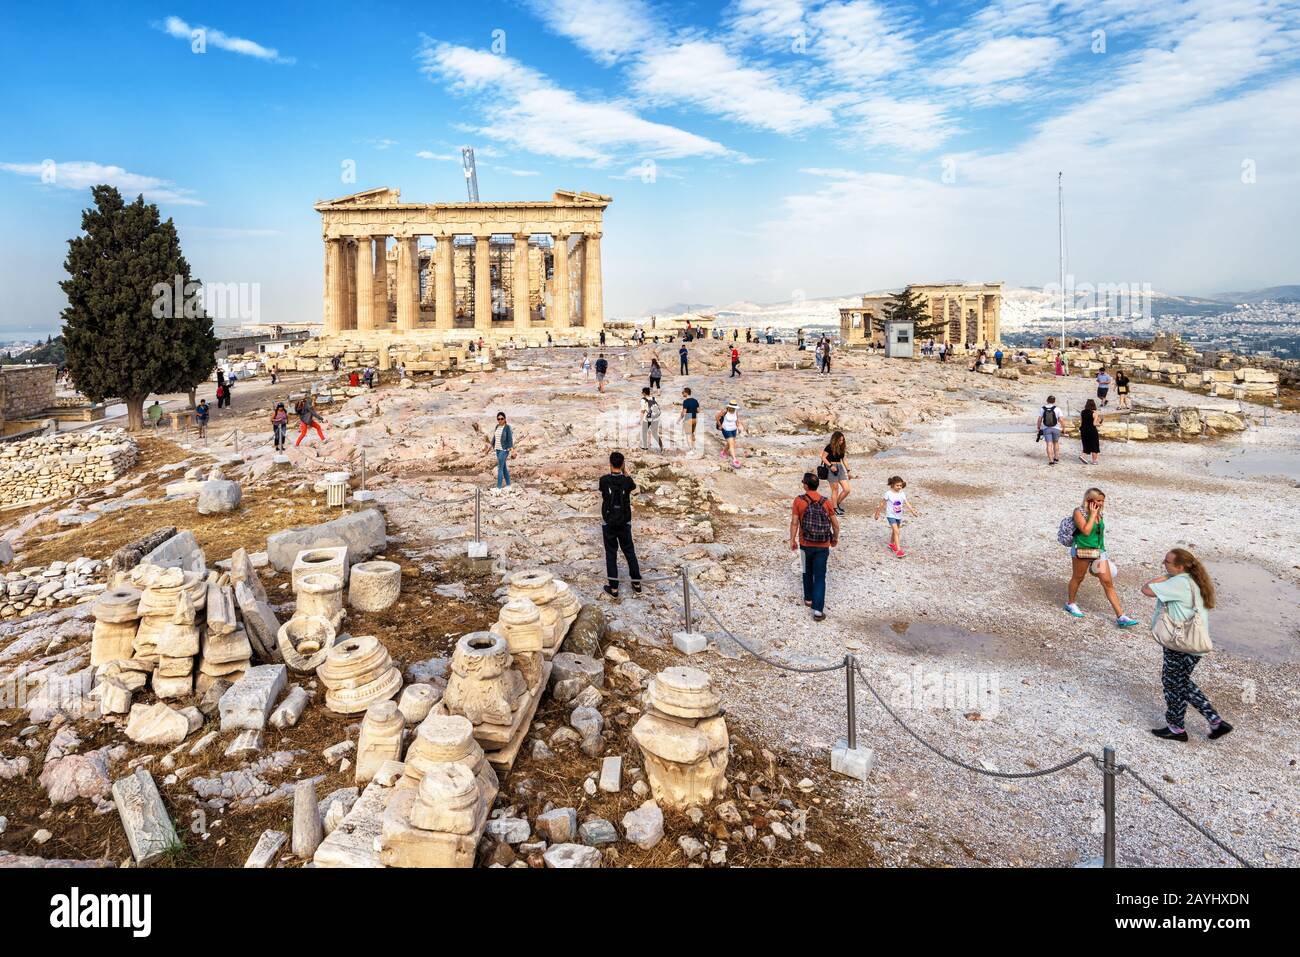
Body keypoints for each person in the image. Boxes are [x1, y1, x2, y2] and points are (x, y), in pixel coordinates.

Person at [1141, 548, 1232, 742]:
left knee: (1174, 683)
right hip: (1194, 642)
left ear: (1180, 567)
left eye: (1167, 562)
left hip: (1180, 642)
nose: (1163, 563)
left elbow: (1146, 589)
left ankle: (1178, 728)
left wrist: (1164, 577)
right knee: (1179, 681)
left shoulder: (1179, 582)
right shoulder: (1194, 580)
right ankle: (1213, 722)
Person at [1064, 487, 1140, 627]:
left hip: (1098, 552)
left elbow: (1100, 534)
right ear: (1089, 500)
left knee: (1107, 582)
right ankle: (1070, 603)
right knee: (1078, 578)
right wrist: (1092, 515)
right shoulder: (1079, 512)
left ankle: (1121, 616)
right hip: (1082, 551)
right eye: (1098, 500)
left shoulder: (1100, 513)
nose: (1101, 503)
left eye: (1102, 501)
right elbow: (1086, 531)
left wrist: (1103, 551)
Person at [790, 472, 840, 622]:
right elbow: (835, 525)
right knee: (820, 577)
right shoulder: (826, 502)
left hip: (805, 544)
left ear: (805, 485)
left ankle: (808, 599)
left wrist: (792, 539)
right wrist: (835, 538)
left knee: (806, 571)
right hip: (822, 545)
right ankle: (818, 611)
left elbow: (794, 523)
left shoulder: (799, 501)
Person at [599, 451, 641, 598]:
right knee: (629, 552)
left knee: (611, 554)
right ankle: (636, 584)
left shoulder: (603, 480)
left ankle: (614, 588)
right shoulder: (627, 482)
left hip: (609, 522)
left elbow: (603, 492)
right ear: (622, 464)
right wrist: (625, 471)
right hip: (624, 521)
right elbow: (633, 485)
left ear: (610, 464)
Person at [873, 475, 920, 558]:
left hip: (899, 515)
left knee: (895, 531)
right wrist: (877, 513)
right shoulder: (888, 493)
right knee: (897, 531)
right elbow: (882, 503)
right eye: (897, 485)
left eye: (900, 485)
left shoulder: (902, 494)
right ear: (892, 485)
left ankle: (891, 544)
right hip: (890, 515)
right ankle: (898, 550)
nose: (899, 487)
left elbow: (907, 503)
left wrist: (912, 511)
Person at [820, 430, 852, 515]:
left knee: (847, 489)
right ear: (835, 439)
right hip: (831, 468)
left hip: (840, 468)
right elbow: (823, 457)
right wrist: (830, 466)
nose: (841, 442)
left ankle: (836, 504)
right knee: (835, 490)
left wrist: (848, 470)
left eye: (842, 440)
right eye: (840, 440)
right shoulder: (829, 447)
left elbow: (844, 459)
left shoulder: (841, 448)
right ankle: (834, 508)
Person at [1037, 394, 1065, 465]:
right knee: (1056, 443)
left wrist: (1038, 427)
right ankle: (1056, 457)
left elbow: (1040, 419)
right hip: (1056, 428)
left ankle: (1051, 460)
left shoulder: (1043, 408)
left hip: (1046, 428)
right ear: (1054, 401)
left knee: (1049, 444)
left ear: (1047, 400)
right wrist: (1063, 428)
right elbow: (1061, 419)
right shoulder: (1057, 409)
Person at [490, 411, 515, 488]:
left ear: (505, 419)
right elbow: (494, 438)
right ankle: (508, 485)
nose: (500, 420)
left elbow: (510, 440)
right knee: (503, 468)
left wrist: (512, 450)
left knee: (500, 468)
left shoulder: (507, 428)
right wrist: (490, 446)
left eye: (502, 419)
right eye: (498, 419)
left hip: (504, 450)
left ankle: (499, 487)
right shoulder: (497, 427)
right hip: (497, 450)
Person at [715, 399, 740, 466]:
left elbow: (737, 420)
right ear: (729, 406)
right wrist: (720, 425)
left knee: (730, 443)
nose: (733, 409)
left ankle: (723, 452)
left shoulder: (736, 411)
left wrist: (738, 427)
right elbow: (717, 417)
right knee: (732, 445)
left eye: (734, 408)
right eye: (732, 407)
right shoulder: (725, 411)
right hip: (726, 430)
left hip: (734, 429)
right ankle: (734, 460)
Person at [640, 387, 663, 452]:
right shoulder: (654, 398)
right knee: (655, 433)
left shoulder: (643, 400)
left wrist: (640, 420)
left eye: (642, 392)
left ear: (644, 393)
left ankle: (645, 448)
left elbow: (642, 411)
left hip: (647, 418)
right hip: (655, 418)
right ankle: (661, 447)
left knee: (644, 432)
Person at [1079, 398, 1102, 465]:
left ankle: (1082, 456)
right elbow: (1094, 424)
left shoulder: (1082, 412)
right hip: (1092, 431)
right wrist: (1100, 424)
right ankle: (1094, 461)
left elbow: (1082, 422)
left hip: (1083, 430)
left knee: (1086, 444)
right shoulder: (1094, 413)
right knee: (1095, 445)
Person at [678, 387, 699, 455]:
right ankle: (694, 447)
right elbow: (698, 410)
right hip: (695, 418)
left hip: (688, 417)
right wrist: (693, 410)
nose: (682, 394)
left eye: (683, 393)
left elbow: (684, 412)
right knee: (692, 433)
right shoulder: (695, 400)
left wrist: (679, 419)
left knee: (688, 435)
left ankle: (692, 450)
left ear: (686, 393)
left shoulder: (685, 401)